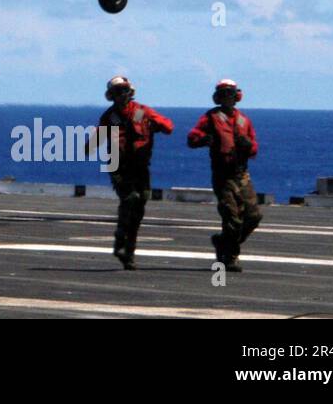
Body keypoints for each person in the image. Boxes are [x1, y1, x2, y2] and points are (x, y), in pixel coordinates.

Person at [93, 75, 173, 270]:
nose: (122, 94)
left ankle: (128, 252)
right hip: (118, 166)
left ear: (130, 92)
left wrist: (158, 126)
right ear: (112, 95)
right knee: (130, 198)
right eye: (118, 91)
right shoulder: (109, 117)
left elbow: (168, 126)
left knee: (140, 205)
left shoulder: (142, 112)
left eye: (124, 90)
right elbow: (97, 139)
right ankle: (120, 237)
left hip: (139, 167)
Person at [187, 78, 262, 272]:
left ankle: (224, 243)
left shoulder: (244, 120)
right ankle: (230, 255)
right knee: (232, 217)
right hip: (223, 173)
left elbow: (254, 148)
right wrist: (204, 139)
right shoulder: (211, 118)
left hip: (241, 173)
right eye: (224, 93)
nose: (228, 97)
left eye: (231, 93)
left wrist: (248, 146)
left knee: (253, 216)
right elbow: (192, 138)